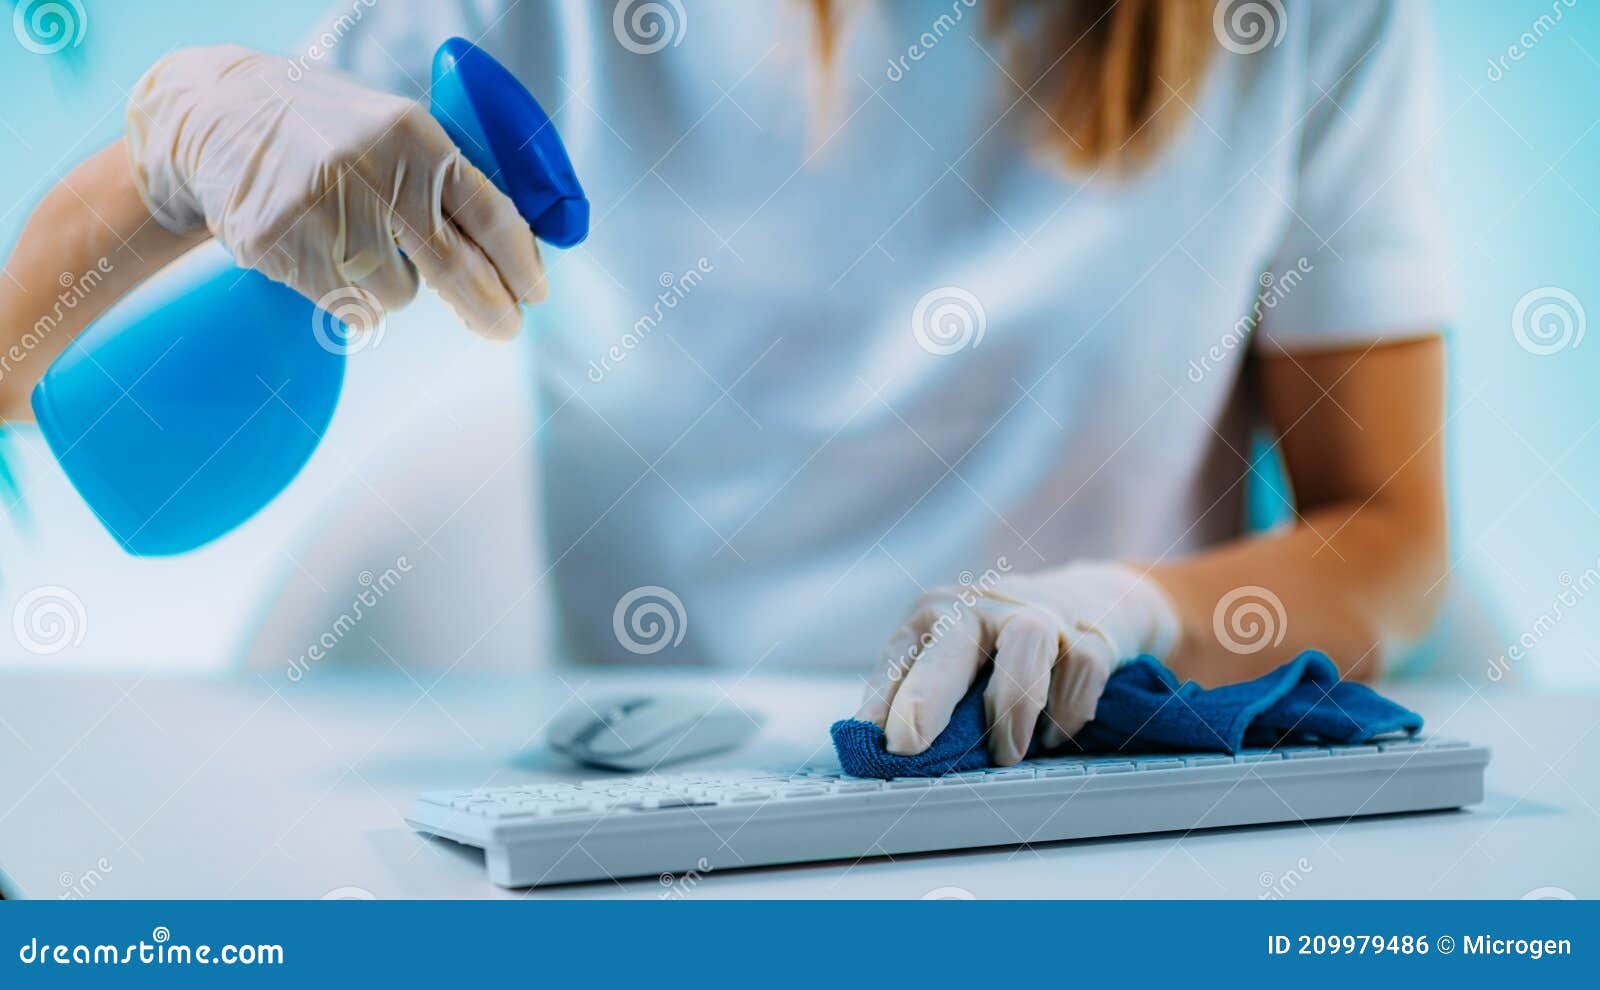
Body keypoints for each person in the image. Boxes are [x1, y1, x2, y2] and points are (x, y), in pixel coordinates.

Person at [0, 0, 1452, 766]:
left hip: (1096, 807)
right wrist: (181, 142)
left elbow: (1388, 537)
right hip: (645, 845)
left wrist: (1116, 618)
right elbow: (12, 364)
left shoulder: (1308, 18)